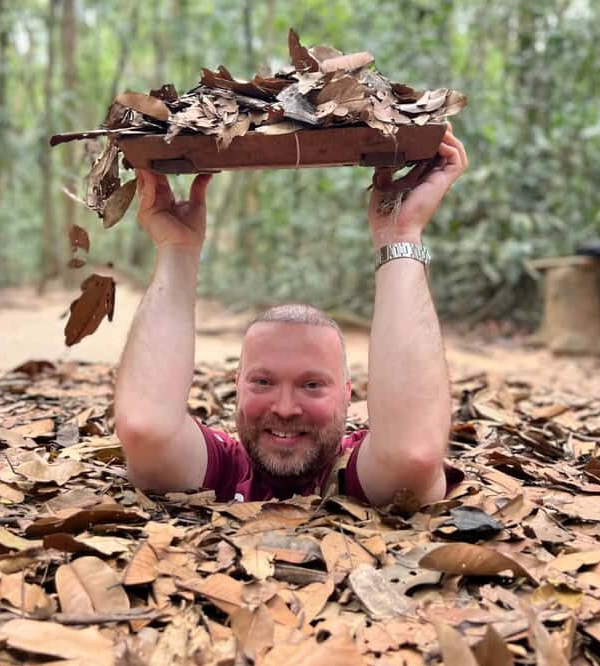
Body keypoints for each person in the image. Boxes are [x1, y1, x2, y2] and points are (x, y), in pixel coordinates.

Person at [115, 123, 467, 506]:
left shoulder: (358, 470)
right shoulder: (224, 471)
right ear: (237, 385)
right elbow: (145, 429)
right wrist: (176, 249)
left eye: (312, 385)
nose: (284, 408)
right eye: (263, 382)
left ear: (348, 395)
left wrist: (400, 236)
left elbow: (412, 453)